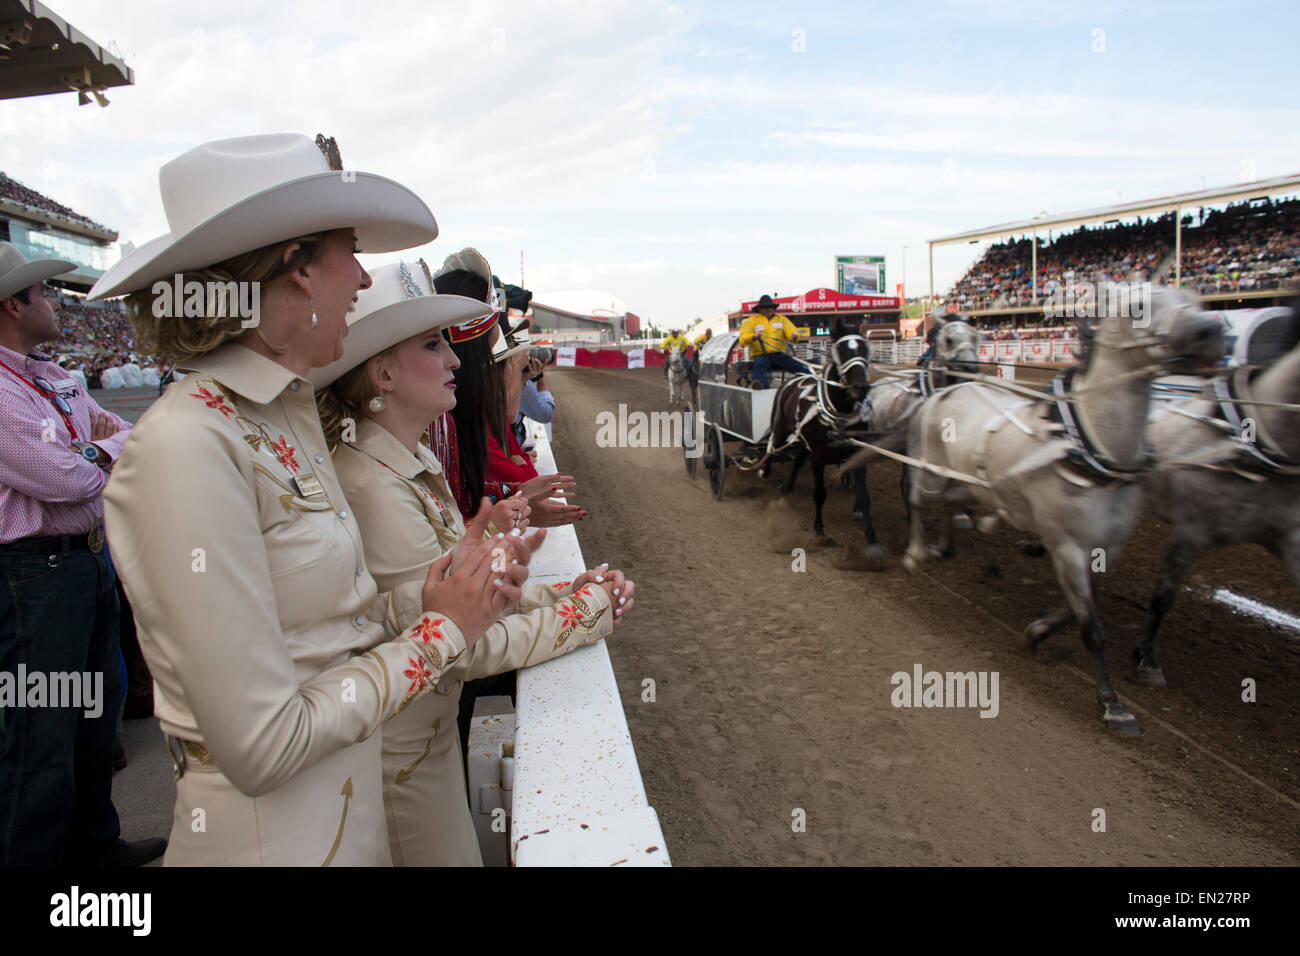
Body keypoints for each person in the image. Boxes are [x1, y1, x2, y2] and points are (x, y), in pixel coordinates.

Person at [91, 132, 519, 865]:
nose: (360, 277)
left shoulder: (276, 420)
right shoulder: (187, 443)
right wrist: (443, 629)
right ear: (293, 270)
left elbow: (326, 637)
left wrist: (431, 596)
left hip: (342, 831)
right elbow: (263, 744)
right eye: (347, 250)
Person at [316, 260, 635, 864]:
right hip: (406, 763)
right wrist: (586, 612)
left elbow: (469, 599)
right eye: (435, 346)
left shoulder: (398, 465)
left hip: (416, 748)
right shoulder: (378, 486)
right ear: (382, 371)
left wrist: (567, 589)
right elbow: (464, 642)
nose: (459, 362)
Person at [0, 243, 165, 866]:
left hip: (82, 561)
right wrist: (101, 452)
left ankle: (96, 848)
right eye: (43, 293)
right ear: (14, 304)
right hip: (33, 573)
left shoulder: (55, 377)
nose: (55, 302)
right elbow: (64, 480)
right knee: (43, 737)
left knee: (94, 724)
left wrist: (98, 449)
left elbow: (136, 439)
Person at [429, 249, 581, 527]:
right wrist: (514, 504)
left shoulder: (451, 424)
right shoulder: (444, 426)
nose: (451, 360)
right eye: (497, 362)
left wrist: (513, 494)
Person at [738, 294, 811, 388]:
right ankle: (760, 386)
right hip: (761, 355)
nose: (768, 309)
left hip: (779, 355)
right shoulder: (751, 321)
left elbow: (791, 330)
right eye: (765, 308)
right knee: (759, 365)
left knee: (798, 366)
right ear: (760, 309)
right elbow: (743, 338)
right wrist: (753, 337)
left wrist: (794, 336)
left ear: (773, 308)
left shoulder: (782, 320)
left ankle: (811, 380)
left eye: (770, 307)